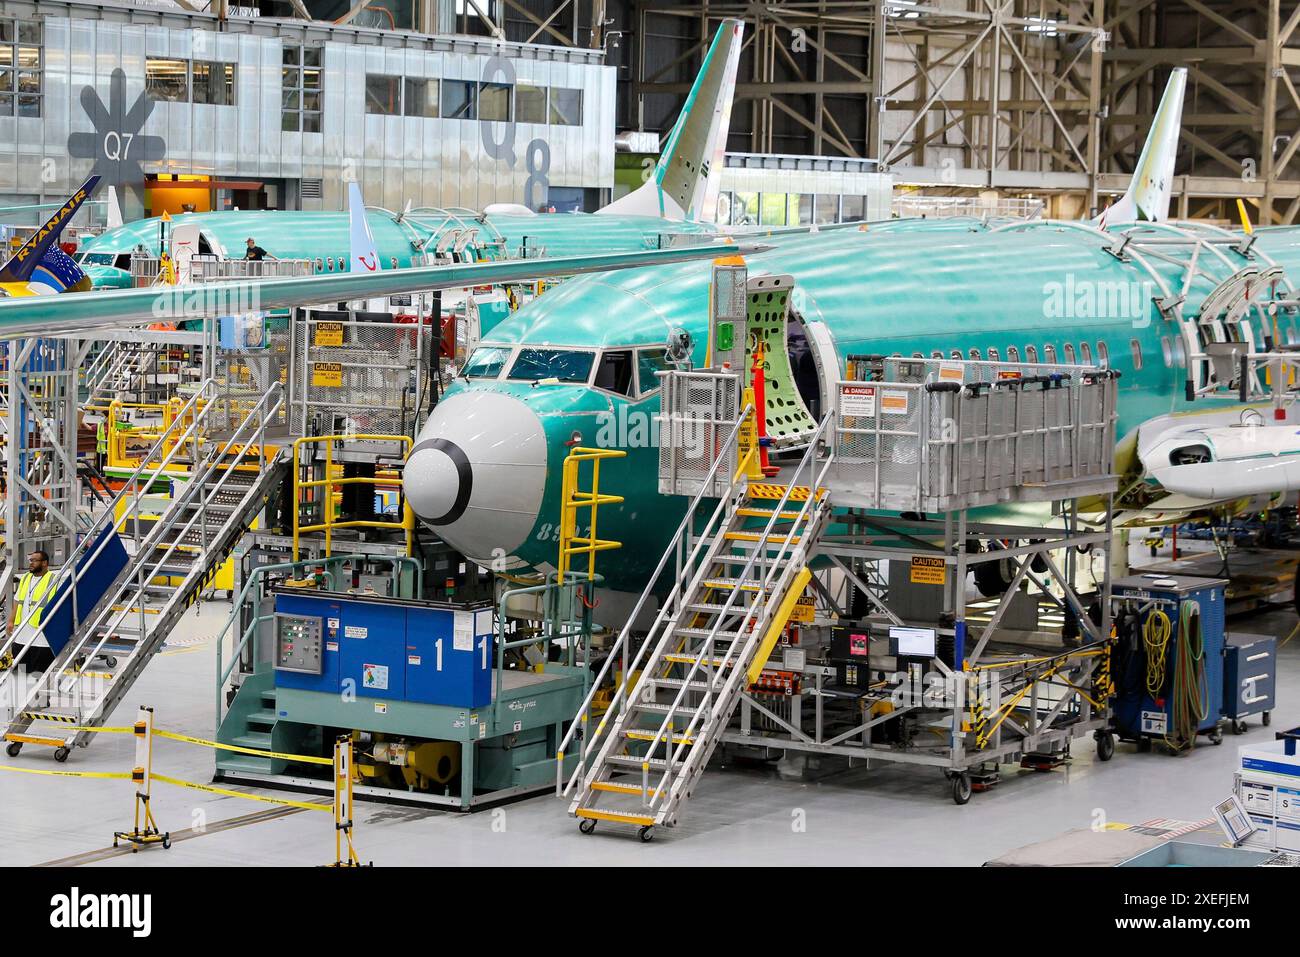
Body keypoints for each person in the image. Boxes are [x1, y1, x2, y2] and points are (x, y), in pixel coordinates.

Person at [10, 551, 57, 673]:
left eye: (34, 560)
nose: (31, 563)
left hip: (41, 638)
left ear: (45, 563)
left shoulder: (54, 580)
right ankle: (21, 692)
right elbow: (17, 601)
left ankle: (38, 693)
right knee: (20, 673)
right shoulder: (25, 578)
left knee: (39, 675)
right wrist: (11, 621)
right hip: (21, 637)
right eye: (30, 560)